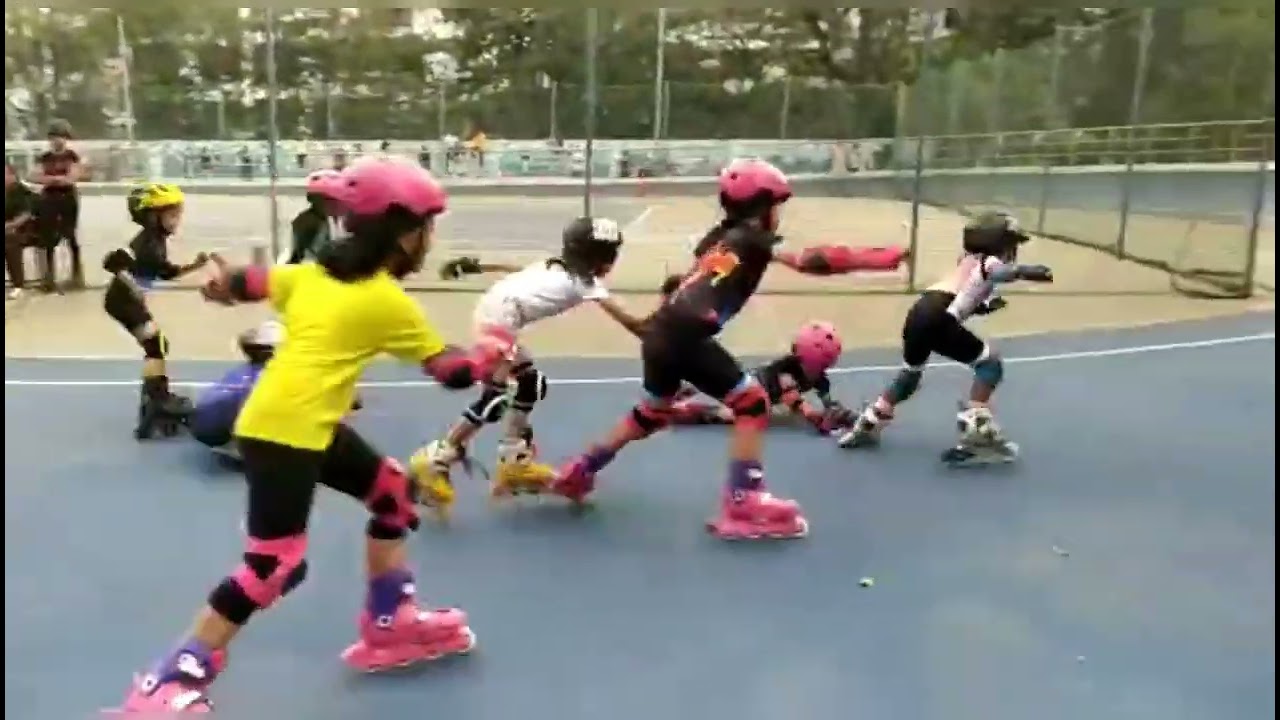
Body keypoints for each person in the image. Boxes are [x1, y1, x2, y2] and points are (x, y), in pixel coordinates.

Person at [113, 158, 502, 713]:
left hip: (306, 423)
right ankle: (166, 683)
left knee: (392, 495)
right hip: (284, 432)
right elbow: (452, 371)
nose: (430, 239)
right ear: (402, 234)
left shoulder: (310, 277)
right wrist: (490, 352)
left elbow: (251, 281)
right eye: (427, 228)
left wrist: (222, 287)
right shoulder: (387, 302)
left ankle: (390, 623)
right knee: (275, 565)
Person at [548, 159, 812, 541]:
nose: (778, 213)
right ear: (761, 206)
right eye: (775, 205)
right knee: (752, 403)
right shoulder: (752, 238)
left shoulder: (721, 239)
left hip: (661, 332)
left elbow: (700, 276)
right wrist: (880, 258)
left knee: (651, 413)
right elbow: (809, 262)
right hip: (683, 337)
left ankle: (580, 470)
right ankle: (744, 502)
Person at [411, 217, 626, 517]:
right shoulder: (584, 284)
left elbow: (517, 270)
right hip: (498, 321)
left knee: (529, 384)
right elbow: (632, 323)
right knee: (496, 397)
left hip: (497, 315)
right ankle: (435, 459)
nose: (611, 261)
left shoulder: (555, 267)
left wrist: (477, 266)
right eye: (608, 254)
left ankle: (513, 462)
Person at [836, 211, 1054, 467]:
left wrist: (984, 307)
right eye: (1011, 244)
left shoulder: (966, 260)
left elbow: (967, 294)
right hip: (939, 315)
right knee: (990, 365)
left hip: (919, 312)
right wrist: (1026, 271)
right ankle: (976, 434)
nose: (1013, 250)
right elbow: (996, 273)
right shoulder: (989, 261)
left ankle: (870, 421)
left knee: (910, 375)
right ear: (997, 242)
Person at [101, 183, 212, 440]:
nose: (177, 220)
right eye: (172, 215)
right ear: (152, 216)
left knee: (157, 345)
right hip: (122, 302)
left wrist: (195, 265)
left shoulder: (157, 242)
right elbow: (112, 262)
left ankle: (156, 398)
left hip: (129, 302)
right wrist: (133, 287)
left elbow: (166, 272)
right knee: (156, 344)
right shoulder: (146, 241)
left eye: (178, 214)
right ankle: (156, 400)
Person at [666, 321, 855, 433]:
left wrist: (839, 413)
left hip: (752, 389)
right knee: (730, 415)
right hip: (747, 390)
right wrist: (814, 416)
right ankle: (680, 410)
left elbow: (828, 401)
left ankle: (692, 389)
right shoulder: (787, 371)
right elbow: (792, 399)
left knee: (724, 392)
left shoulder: (820, 379)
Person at [189, 321, 286, 460]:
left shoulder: (239, 372)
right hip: (220, 428)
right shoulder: (271, 375)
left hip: (201, 423)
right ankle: (245, 447)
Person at [31, 119, 84, 291]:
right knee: (47, 238)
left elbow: (72, 177)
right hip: (49, 199)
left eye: (61, 136)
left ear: (66, 138)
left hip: (68, 198)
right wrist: (58, 179)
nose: (57, 140)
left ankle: (76, 275)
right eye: (54, 136)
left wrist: (51, 179)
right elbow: (35, 176)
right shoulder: (44, 157)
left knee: (70, 235)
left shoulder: (72, 156)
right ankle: (49, 277)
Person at [283, 169, 342, 264]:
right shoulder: (309, 222)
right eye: (330, 200)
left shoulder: (331, 219)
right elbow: (302, 255)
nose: (336, 203)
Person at [4, 161, 39, 298]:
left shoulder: (21, 191)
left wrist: (9, 226)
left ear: (13, 176)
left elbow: (25, 215)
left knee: (9, 241)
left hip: (26, 230)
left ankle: (18, 285)